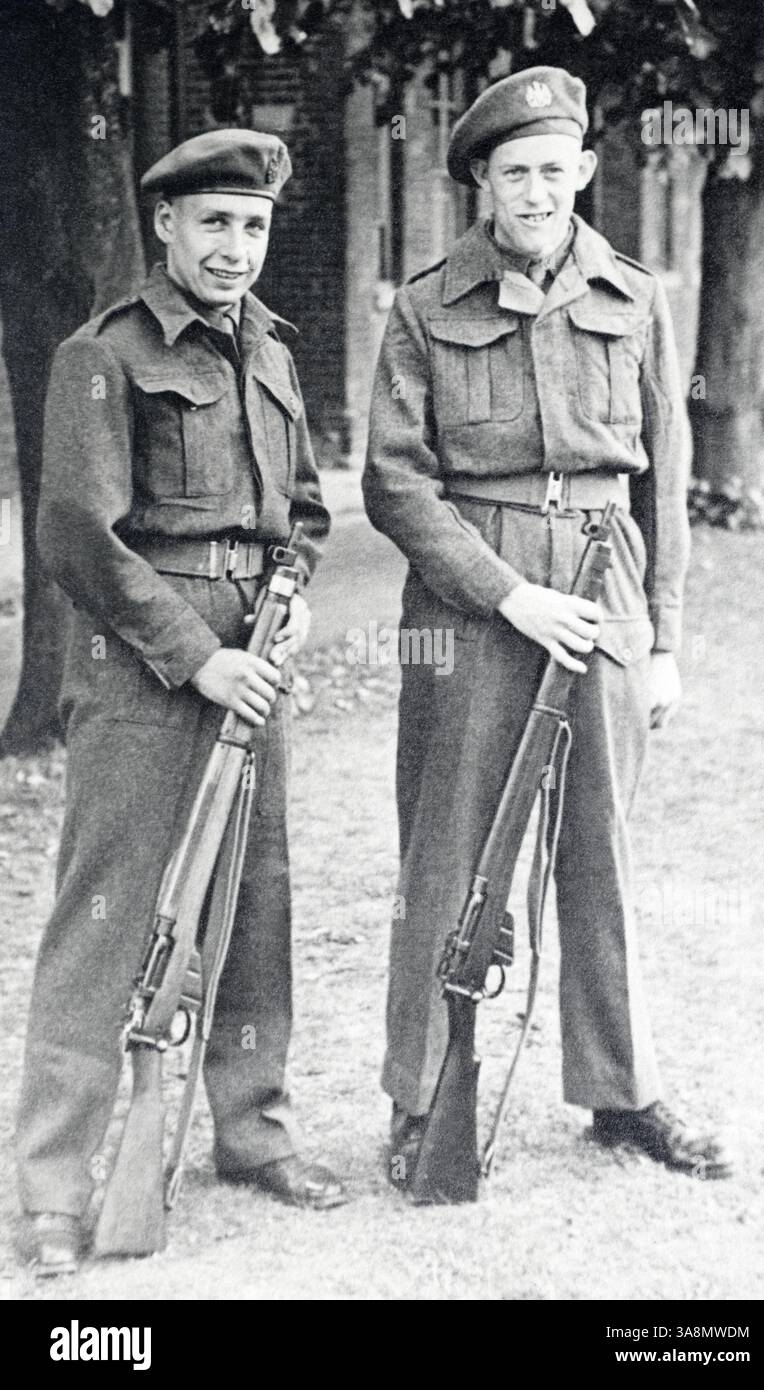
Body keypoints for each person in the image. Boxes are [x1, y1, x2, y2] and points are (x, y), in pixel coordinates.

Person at [363, 67, 732, 1190]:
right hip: (473, 601)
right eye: (510, 171)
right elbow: (392, 481)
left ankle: (620, 1091)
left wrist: (659, 639)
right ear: (481, 181)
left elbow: (661, 476)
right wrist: (502, 591)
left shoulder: (636, 294)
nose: (535, 190)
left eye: (552, 168)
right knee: (448, 850)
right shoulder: (424, 306)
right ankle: (421, 1093)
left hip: (604, 580)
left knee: (599, 853)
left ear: (581, 169)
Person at [17, 129, 347, 1277]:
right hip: (145, 665)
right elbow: (75, 535)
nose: (234, 248)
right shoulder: (101, 353)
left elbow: (299, 509)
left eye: (251, 227)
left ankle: (252, 1130)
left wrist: (293, 593)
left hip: (256, 651)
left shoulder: (273, 352)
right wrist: (191, 654)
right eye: (212, 223)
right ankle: (55, 1183)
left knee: (257, 902)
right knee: (108, 916)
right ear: (165, 226)